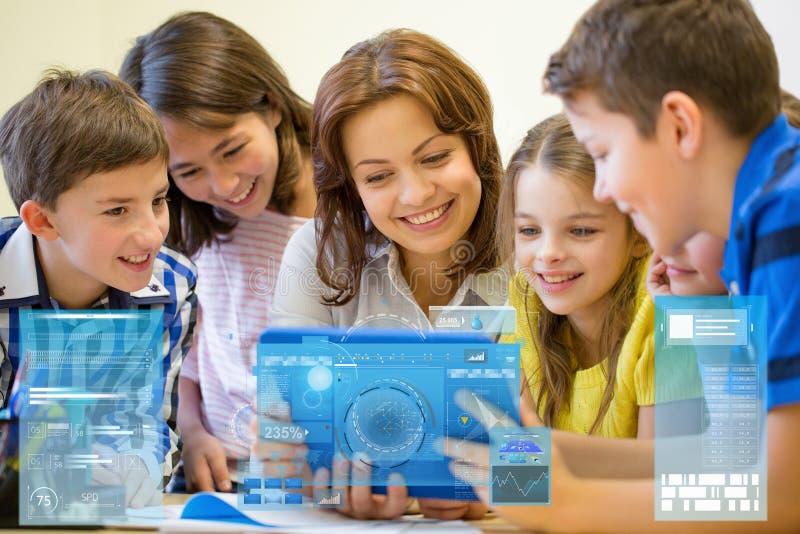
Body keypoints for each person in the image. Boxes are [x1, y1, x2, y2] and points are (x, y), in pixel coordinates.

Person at [447, 0, 800, 530]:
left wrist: (569, 505)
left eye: (605, 153)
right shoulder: (762, 215)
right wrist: (543, 455)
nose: (605, 189)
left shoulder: (786, 212)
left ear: (680, 126)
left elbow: (785, 495)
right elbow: (726, 460)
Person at [267, 28, 508, 519]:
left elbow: (565, 442)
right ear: (351, 186)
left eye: (435, 157)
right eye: (378, 176)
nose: (416, 195)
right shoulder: (318, 253)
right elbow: (278, 445)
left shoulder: (538, 252)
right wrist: (332, 495)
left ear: (477, 146)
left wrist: (496, 495)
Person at [120, 11, 316, 493]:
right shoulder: (185, 218)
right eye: (189, 171)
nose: (224, 186)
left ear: (272, 106)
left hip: (321, 478)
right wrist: (191, 431)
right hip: (216, 477)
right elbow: (187, 345)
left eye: (232, 150)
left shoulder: (350, 202)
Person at [0, 69, 197, 502]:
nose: (152, 234)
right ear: (42, 220)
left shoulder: (174, 285)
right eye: (117, 211)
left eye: (158, 200)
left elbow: (151, 422)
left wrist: (138, 466)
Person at [501, 114, 654, 438]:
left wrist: (538, 450)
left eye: (581, 230)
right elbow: (516, 460)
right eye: (529, 230)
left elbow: (658, 467)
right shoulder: (526, 301)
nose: (547, 254)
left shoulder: (666, 312)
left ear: (640, 234)